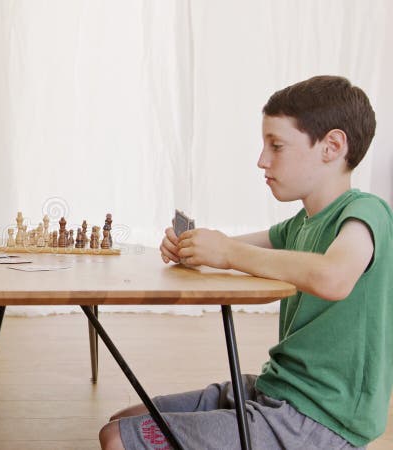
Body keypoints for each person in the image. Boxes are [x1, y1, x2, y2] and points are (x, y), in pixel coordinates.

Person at [100, 75, 392, 449]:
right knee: (126, 420)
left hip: (318, 419)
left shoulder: (366, 213)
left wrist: (226, 252)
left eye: (277, 146)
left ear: (331, 146)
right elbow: (226, 253)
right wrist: (192, 248)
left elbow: (334, 278)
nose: (261, 160)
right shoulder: (298, 226)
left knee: (117, 439)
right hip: (276, 389)